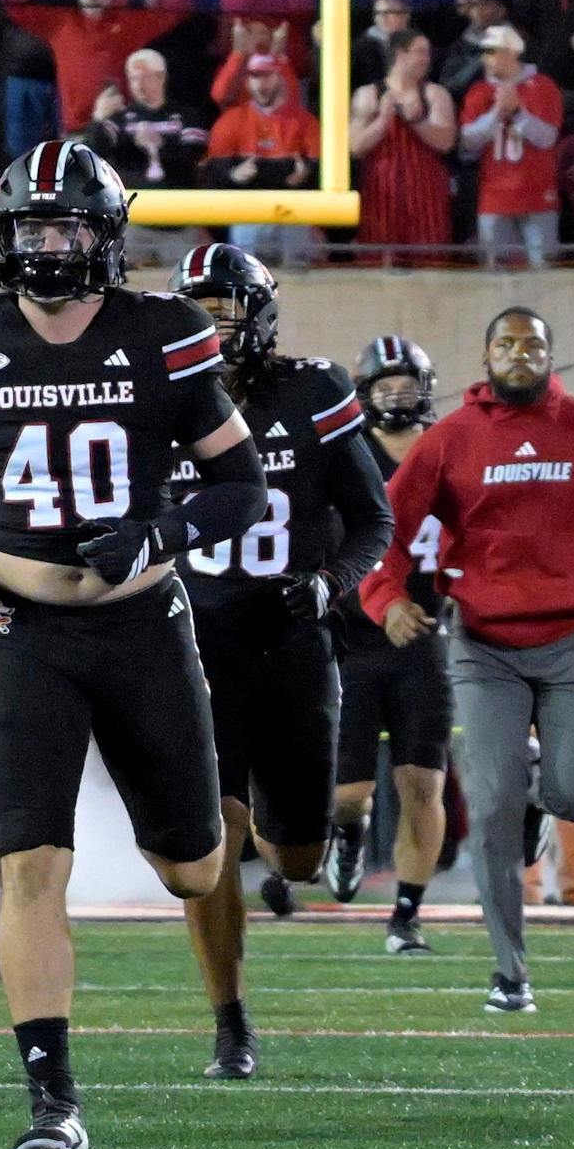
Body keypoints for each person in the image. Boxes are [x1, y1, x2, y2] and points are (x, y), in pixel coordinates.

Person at [0, 142, 267, 1149]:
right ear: (4, 240)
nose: (47, 248)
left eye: (66, 228)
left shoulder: (163, 334)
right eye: (30, 230)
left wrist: (161, 533)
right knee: (30, 863)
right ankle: (52, 1099)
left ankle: (182, 839)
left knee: (194, 869)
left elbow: (240, 486)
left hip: (141, 624)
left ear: (104, 238)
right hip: (18, 626)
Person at [363, 305, 574, 1014]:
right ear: (486, 356)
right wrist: (384, 598)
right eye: (505, 342)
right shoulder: (451, 438)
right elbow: (387, 526)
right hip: (481, 644)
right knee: (492, 808)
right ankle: (509, 970)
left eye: (532, 342)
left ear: (550, 354)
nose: (519, 353)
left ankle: (539, 792)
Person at [168, 244, 391, 1078]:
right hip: (194, 643)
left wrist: (331, 582)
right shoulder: (156, 398)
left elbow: (372, 518)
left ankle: (321, 831)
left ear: (258, 319)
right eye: (199, 310)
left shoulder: (313, 390)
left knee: (292, 852)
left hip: (291, 639)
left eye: (226, 311)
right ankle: (229, 1020)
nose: (212, 328)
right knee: (213, 838)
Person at [323, 335, 453, 941]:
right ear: (365, 394)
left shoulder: (452, 454)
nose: (399, 397)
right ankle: (347, 834)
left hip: (427, 636)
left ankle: (407, 914)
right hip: (355, 638)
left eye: (408, 385)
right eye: (386, 386)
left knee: (422, 782)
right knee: (350, 793)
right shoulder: (347, 453)